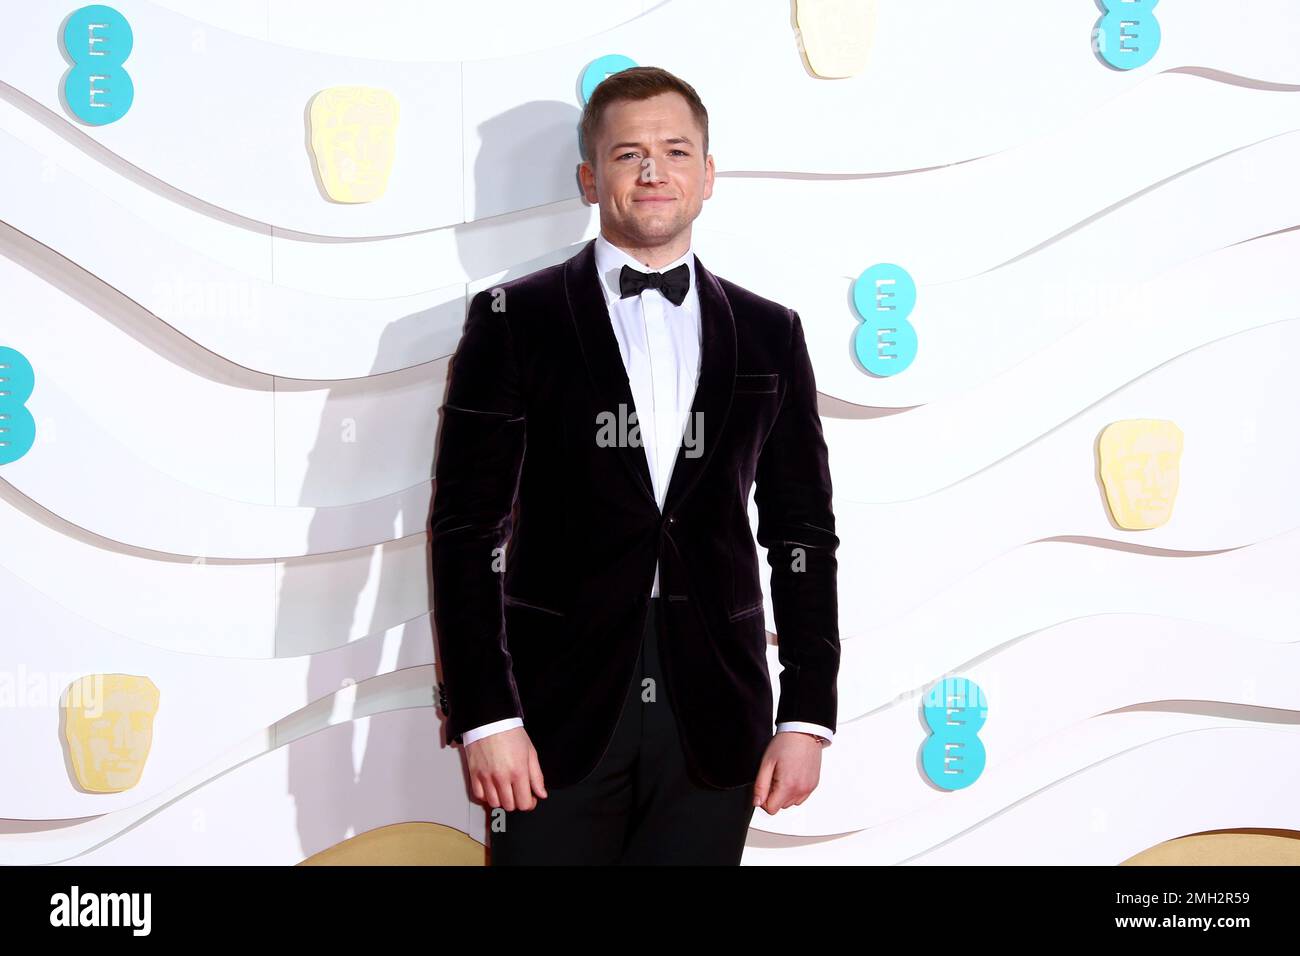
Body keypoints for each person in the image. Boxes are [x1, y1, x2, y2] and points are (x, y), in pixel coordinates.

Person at [429, 66, 840, 865]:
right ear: (590, 178)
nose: (653, 172)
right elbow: (464, 528)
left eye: (675, 150)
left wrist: (806, 717)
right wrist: (486, 715)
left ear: (707, 175)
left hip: (715, 707)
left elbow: (803, 533)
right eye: (627, 154)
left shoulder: (770, 332)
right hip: (549, 712)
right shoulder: (516, 320)